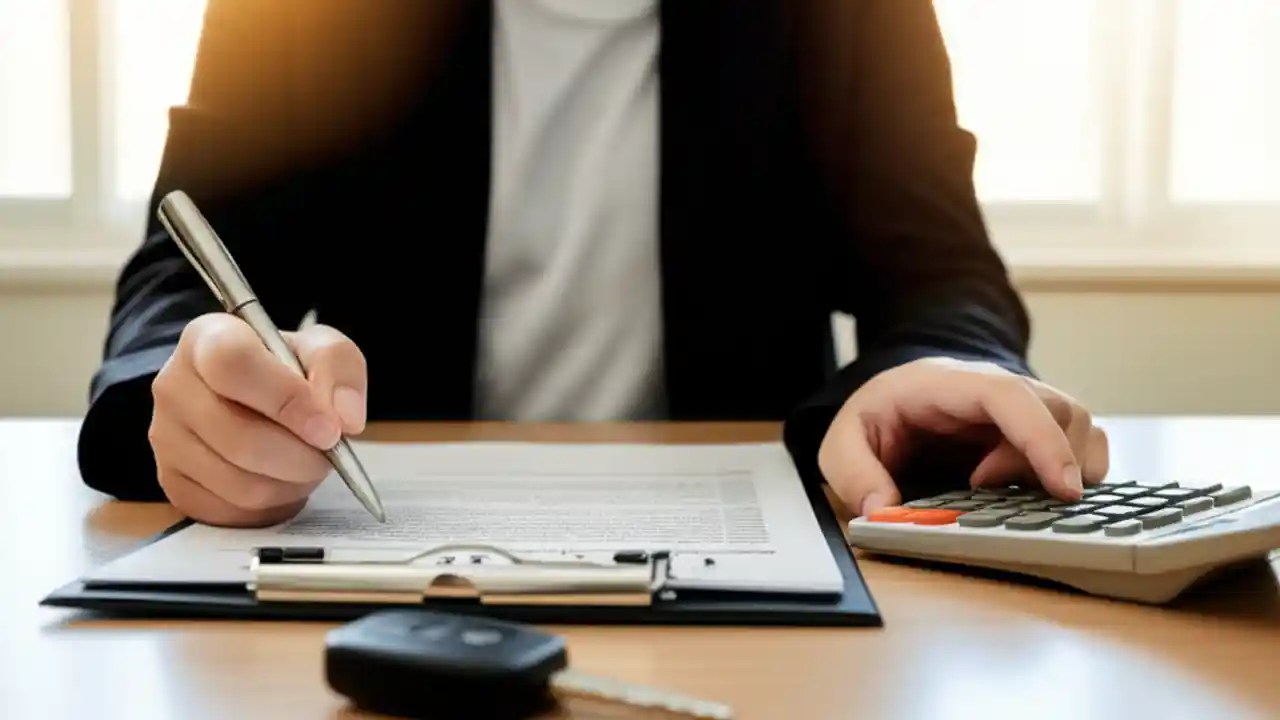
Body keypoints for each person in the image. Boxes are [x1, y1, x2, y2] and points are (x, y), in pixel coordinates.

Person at [77, 0, 1109, 528]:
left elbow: (945, 281)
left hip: (759, 567)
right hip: (375, 561)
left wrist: (936, 379)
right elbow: (181, 278)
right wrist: (188, 387)